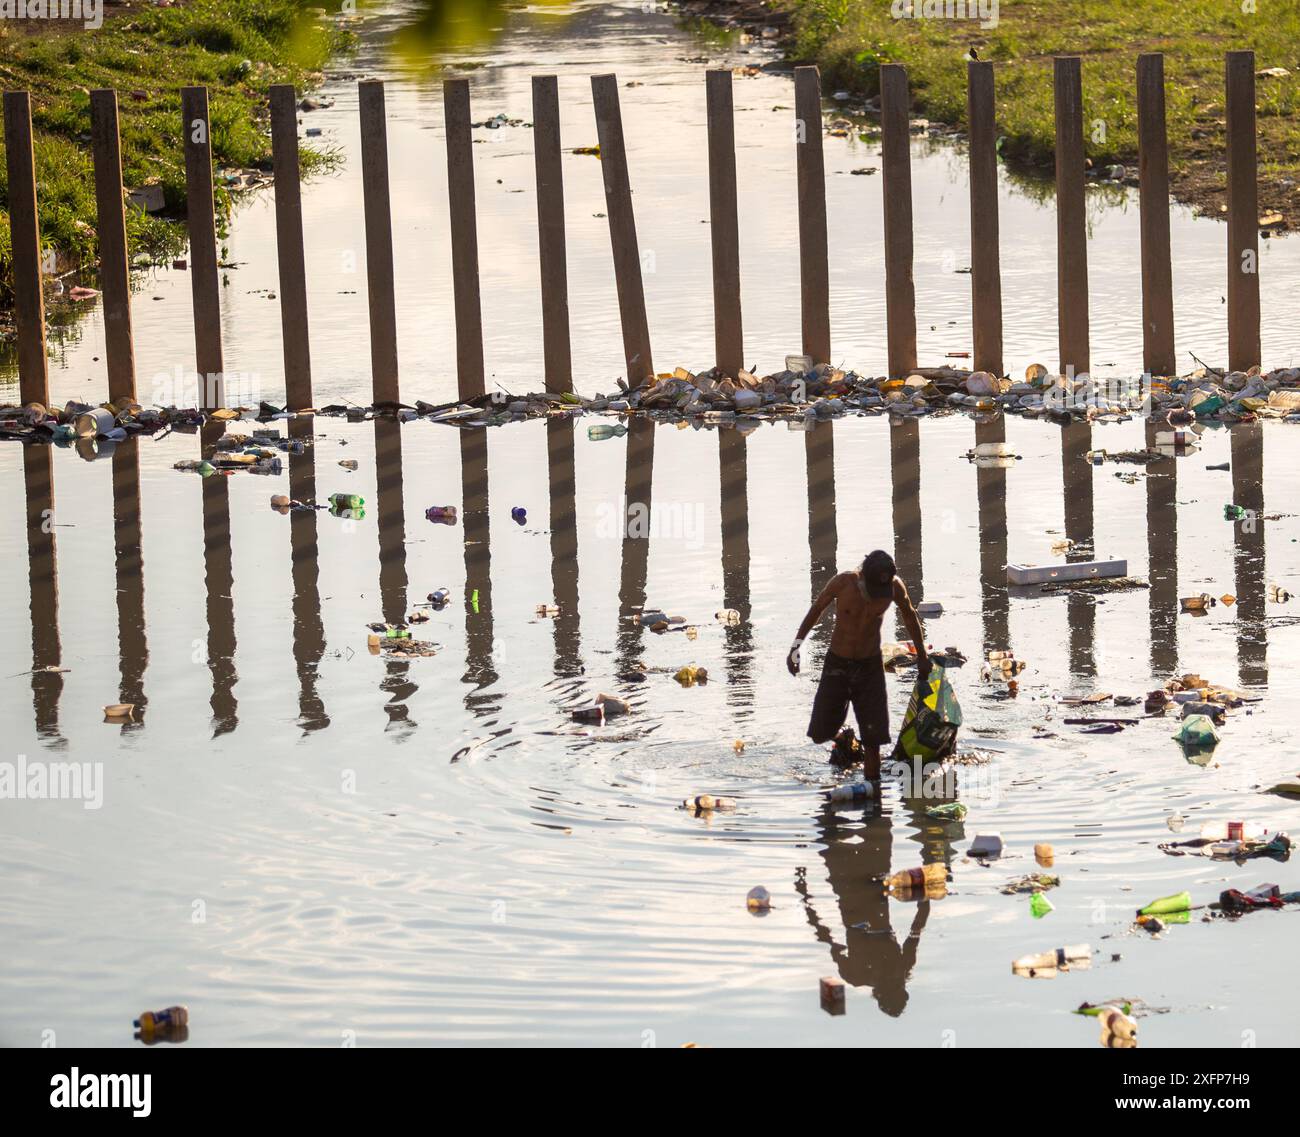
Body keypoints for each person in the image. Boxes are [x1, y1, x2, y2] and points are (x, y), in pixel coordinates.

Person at [787, 550, 929, 778]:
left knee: (873, 743)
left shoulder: (893, 587)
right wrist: (796, 646)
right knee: (820, 733)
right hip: (837, 664)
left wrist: (922, 656)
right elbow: (817, 609)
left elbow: (910, 616)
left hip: (870, 668)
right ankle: (844, 737)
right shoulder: (843, 582)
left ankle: (874, 800)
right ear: (861, 576)